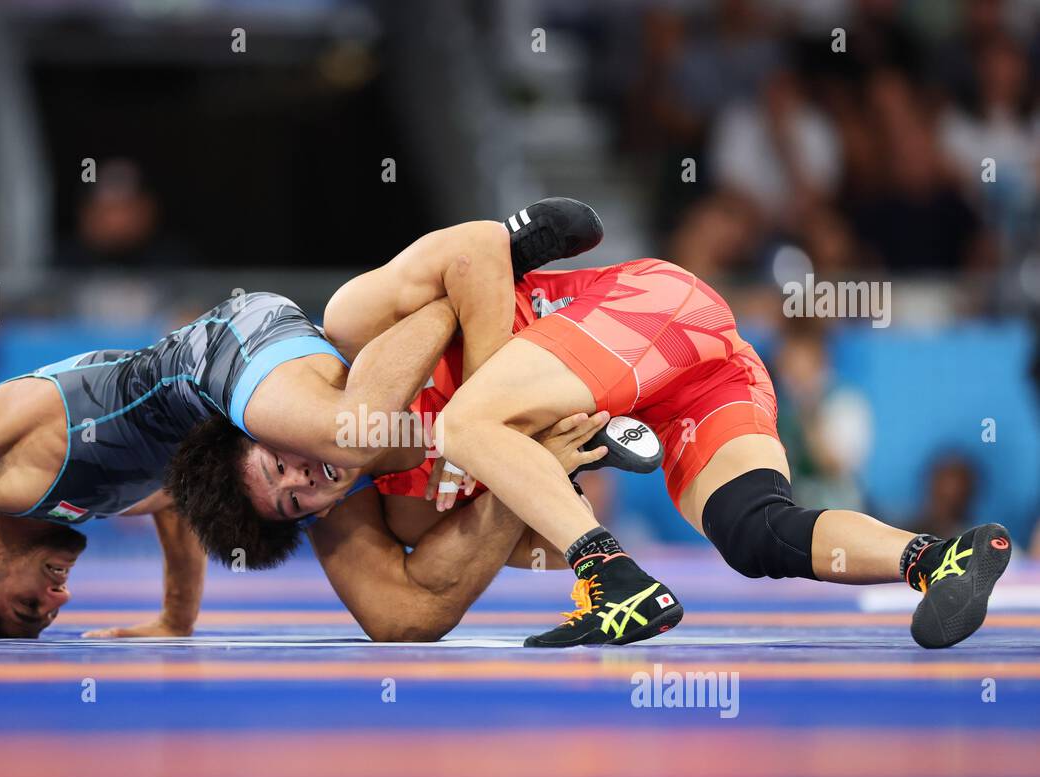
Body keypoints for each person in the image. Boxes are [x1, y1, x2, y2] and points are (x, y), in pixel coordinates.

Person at [0, 203, 600, 641]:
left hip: (217, 355)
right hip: (250, 426)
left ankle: (479, 265)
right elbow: (177, 506)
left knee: (354, 436)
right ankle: (504, 390)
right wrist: (178, 618)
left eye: (30, 607)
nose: (55, 605)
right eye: (49, 617)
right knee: (400, 617)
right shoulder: (77, 506)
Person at [424, 257, 1012, 650]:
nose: (328, 480)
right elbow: (530, 548)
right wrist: (538, 470)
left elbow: (471, 249)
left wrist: (533, 229)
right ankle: (935, 559)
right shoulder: (408, 489)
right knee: (755, 532)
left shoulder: (389, 357)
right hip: (688, 372)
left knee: (464, 421)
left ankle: (614, 576)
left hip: (644, 313)